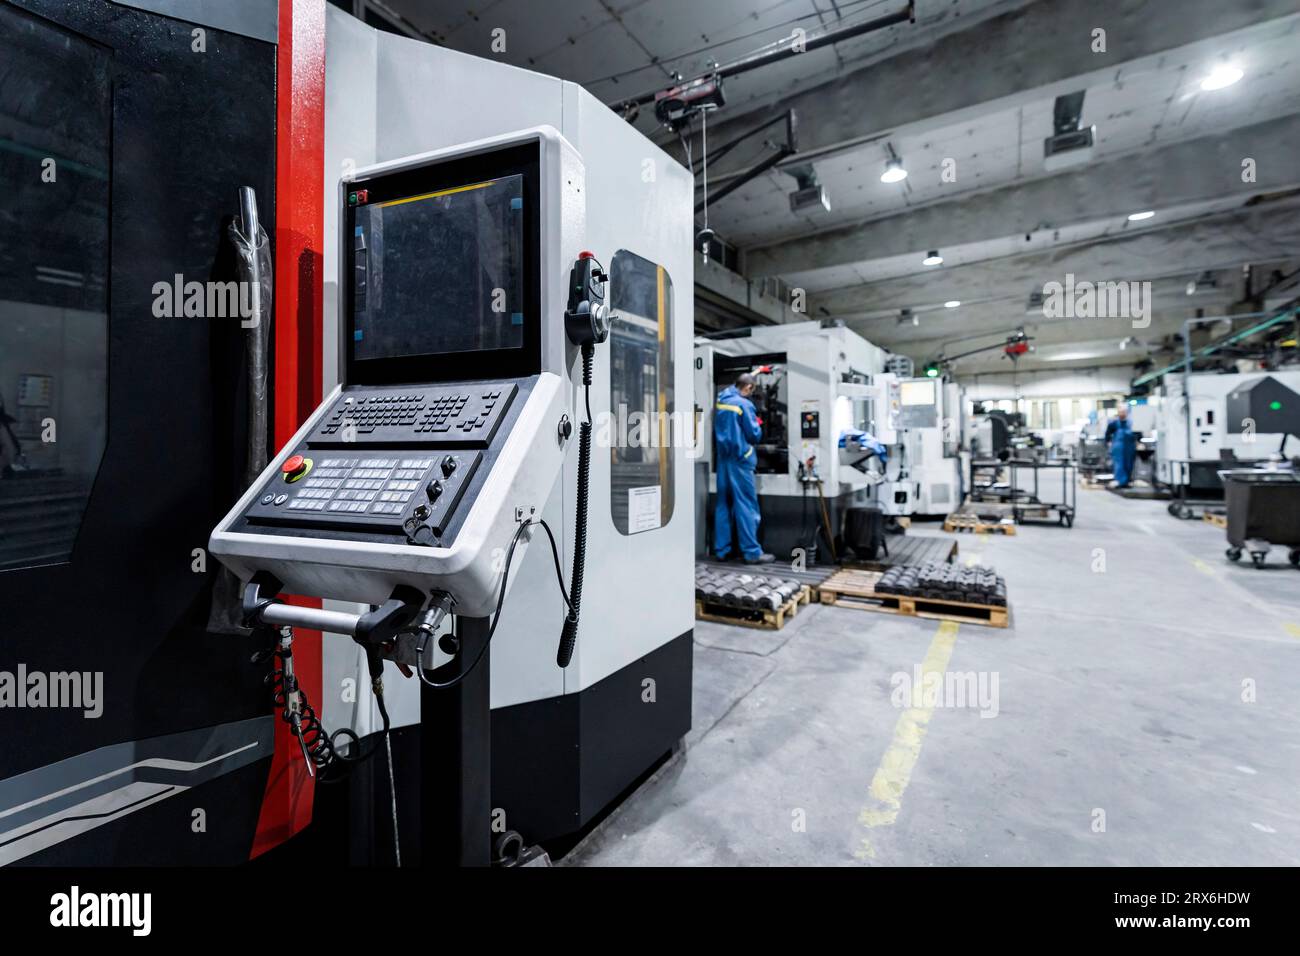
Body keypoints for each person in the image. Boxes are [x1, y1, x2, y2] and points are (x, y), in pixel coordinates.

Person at [713, 372, 774, 563]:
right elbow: (754, 435)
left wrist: (756, 372)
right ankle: (752, 552)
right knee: (746, 504)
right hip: (740, 459)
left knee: (723, 504)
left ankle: (721, 551)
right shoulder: (744, 405)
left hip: (723, 461)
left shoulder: (722, 399)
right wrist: (758, 424)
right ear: (748, 388)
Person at [1104, 405, 1136, 488]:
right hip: (1118, 447)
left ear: (1127, 413)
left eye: (1124, 412)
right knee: (1119, 464)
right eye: (1120, 412)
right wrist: (1108, 442)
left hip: (1129, 448)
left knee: (1128, 464)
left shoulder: (1131, 423)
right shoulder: (1114, 423)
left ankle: (1127, 481)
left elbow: (1137, 433)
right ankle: (1119, 481)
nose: (1122, 414)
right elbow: (1107, 434)